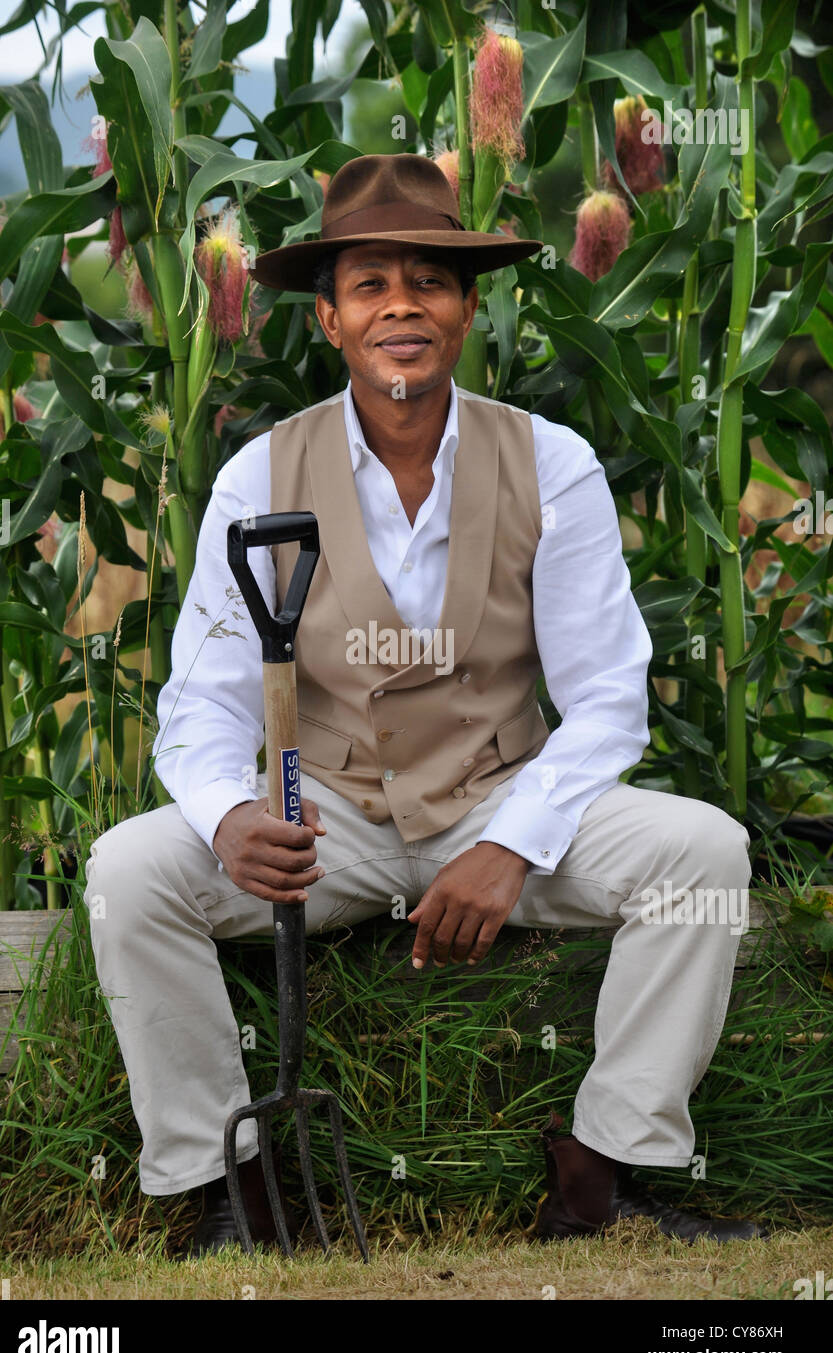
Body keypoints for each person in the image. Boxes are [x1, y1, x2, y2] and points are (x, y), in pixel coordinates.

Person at [84, 154, 767, 1254]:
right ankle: (236, 1192)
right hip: (326, 816)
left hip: (502, 798)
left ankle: (606, 1175)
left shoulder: (553, 463)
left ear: (464, 308)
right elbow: (201, 701)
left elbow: (604, 702)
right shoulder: (257, 478)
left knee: (703, 856)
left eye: (430, 280)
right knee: (128, 874)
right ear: (330, 319)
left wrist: (512, 841)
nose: (402, 301)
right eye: (370, 283)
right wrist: (228, 817)